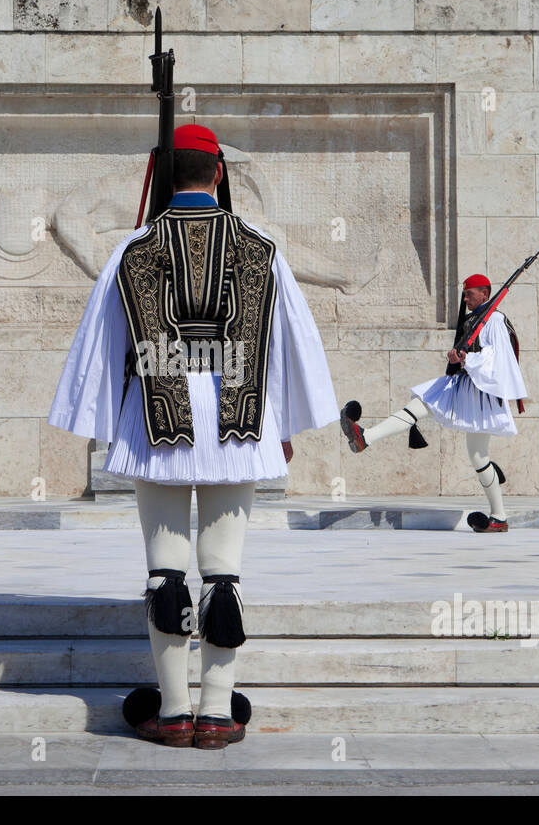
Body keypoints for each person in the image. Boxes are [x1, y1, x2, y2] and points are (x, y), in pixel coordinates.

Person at [49, 124, 338, 749]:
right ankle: (215, 714)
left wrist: (103, 423)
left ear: (164, 173)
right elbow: (289, 342)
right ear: (219, 173)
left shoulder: (134, 250)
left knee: (166, 575)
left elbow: (104, 347)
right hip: (239, 418)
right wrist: (284, 424)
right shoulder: (262, 248)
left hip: (158, 421)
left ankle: (174, 712)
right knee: (224, 575)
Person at [340, 273, 527, 533]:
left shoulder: (494, 320)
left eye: (469, 293)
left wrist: (465, 358)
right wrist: (459, 358)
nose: (465, 298)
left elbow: (497, 358)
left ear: (485, 293)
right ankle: (365, 438)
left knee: (478, 456)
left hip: (480, 393)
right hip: (463, 385)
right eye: (464, 293)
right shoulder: (476, 318)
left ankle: (499, 516)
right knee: (420, 403)